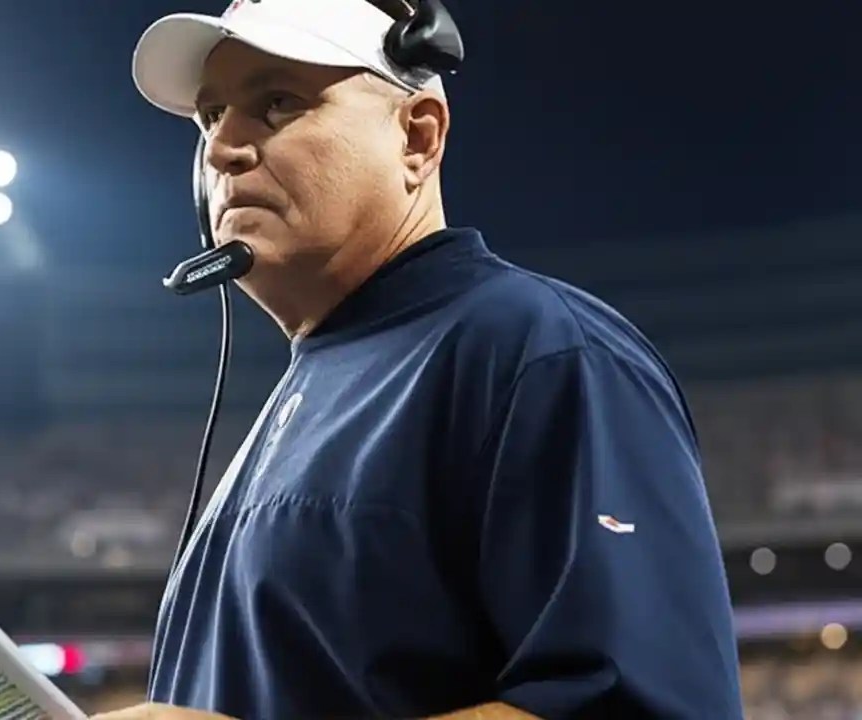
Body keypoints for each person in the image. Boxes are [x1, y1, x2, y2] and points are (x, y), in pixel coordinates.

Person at [96, 0, 744, 718]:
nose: (221, 150)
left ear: (418, 137)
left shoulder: (538, 349)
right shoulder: (312, 383)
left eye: (276, 103)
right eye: (211, 116)